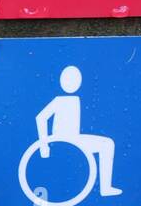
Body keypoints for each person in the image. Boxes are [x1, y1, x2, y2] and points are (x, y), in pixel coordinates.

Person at [35, 65, 121, 196]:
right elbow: (41, 118)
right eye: (70, 79)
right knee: (107, 144)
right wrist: (44, 145)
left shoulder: (74, 99)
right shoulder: (59, 101)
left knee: (107, 144)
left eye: (75, 79)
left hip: (73, 138)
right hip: (63, 140)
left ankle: (106, 188)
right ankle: (105, 188)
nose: (74, 82)